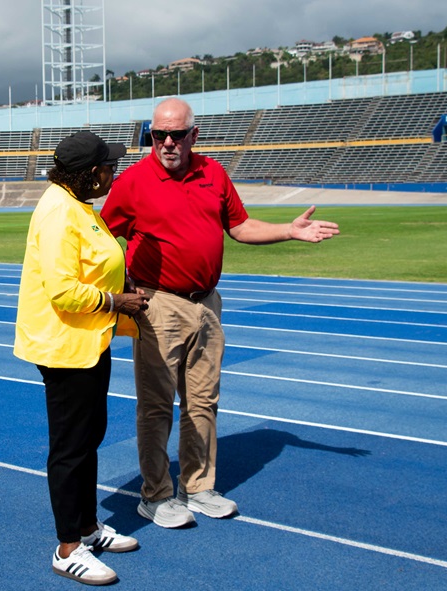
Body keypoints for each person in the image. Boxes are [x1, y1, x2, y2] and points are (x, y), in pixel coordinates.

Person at [100, 98, 340, 528]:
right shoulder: (134, 181)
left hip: (207, 302)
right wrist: (122, 281)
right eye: (159, 135)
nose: (168, 142)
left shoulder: (213, 172)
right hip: (158, 305)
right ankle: (154, 495)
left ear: (194, 135)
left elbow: (240, 226)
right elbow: (101, 236)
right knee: (156, 406)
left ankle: (198, 487)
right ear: (150, 136)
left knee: (203, 402)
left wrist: (289, 230)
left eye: (176, 134)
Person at [14, 131, 150, 585]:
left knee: (90, 436)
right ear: (91, 173)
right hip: (65, 346)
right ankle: (67, 546)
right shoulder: (58, 212)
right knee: (71, 447)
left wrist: (121, 288)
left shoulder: (76, 205)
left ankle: (88, 527)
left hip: (88, 341)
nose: (115, 172)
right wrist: (117, 302)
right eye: (109, 166)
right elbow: (63, 290)